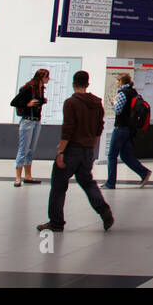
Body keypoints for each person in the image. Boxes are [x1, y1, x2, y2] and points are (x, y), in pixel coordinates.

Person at [37, 70, 113, 233]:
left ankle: (56, 222)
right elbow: (98, 129)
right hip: (87, 150)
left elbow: (68, 129)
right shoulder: (97, 103)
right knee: (87, 182)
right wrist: (91, 150)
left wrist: (61, 152)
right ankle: (104, 211)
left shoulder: (71, 103)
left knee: (58, 185)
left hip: (71, 150)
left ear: (73, 84)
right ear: (87, 84)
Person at [104, 73, 153, 189]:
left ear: (121, 82)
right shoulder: (134, 93)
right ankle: (144, 172)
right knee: (125, 155)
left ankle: (110, 183)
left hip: (121, 128)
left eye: (117, 81)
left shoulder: (122, 93)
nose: (116, 83)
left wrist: (113, 103)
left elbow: (119, 110)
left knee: (112, 155)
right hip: (130, 129)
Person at [12, 68, 49, 186]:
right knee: (23, 149)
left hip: (36, 121)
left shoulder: (40, 88)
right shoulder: (29, 88)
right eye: (47, 77)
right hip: (27, 121)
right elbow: (14, 102)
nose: (48, 79)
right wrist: (27, 104)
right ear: (41, 77)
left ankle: (28, 175)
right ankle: (18, 177)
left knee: (31, 150)